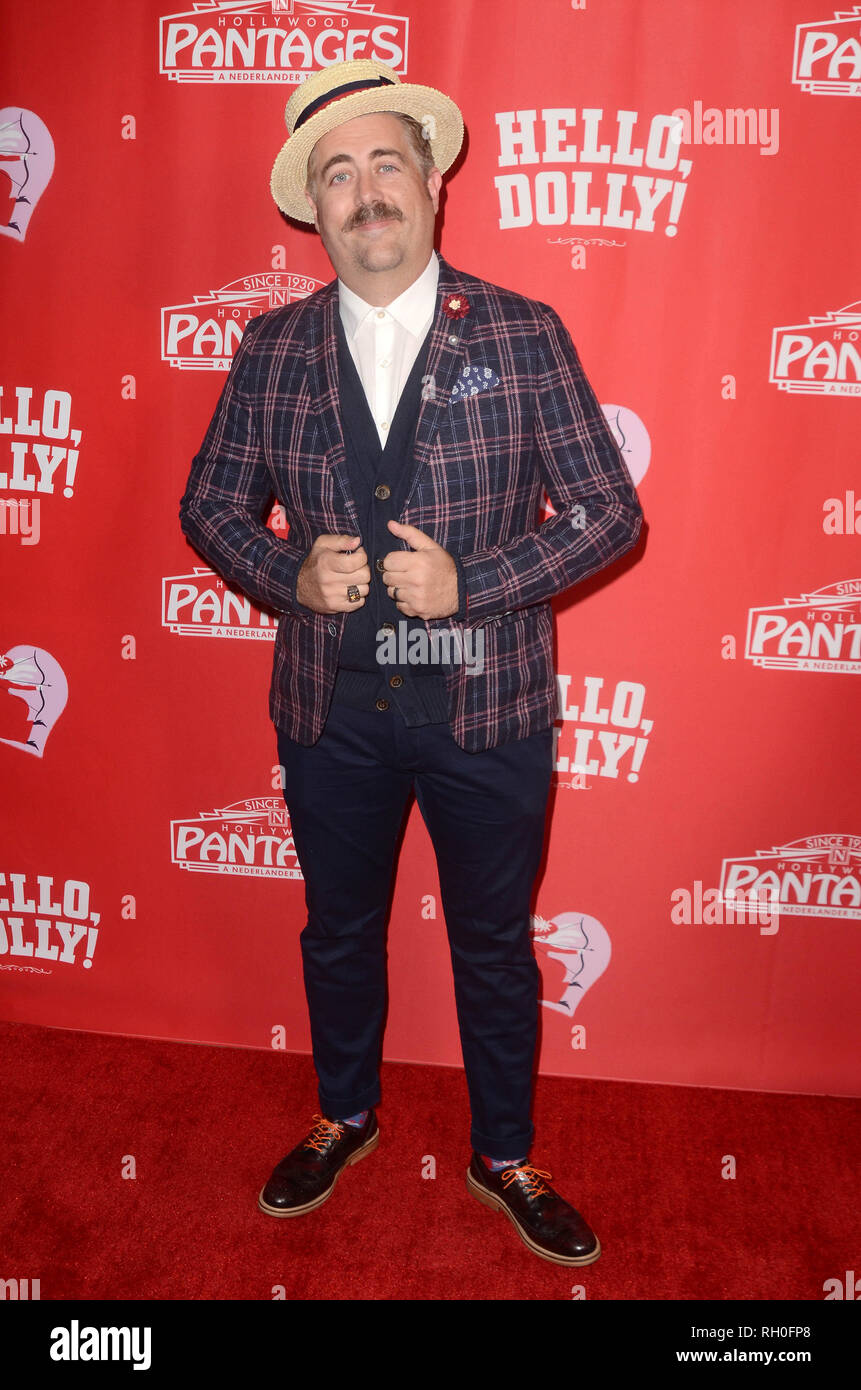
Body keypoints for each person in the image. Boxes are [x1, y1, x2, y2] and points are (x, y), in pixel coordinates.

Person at [179, 58, 643, 1268]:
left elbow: (609, 514)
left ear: (432, 185)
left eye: (387, 162)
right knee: (339, 930)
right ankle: (345, 1115)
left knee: (492, 939)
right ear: (315, 208)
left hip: (489, 709)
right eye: (339, 174)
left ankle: (503, 1152)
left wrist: (475, 582)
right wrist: (287, 574)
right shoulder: (270, 347)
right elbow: (210, 506)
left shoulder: (525, 332)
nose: (365, 190)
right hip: (328, 710)